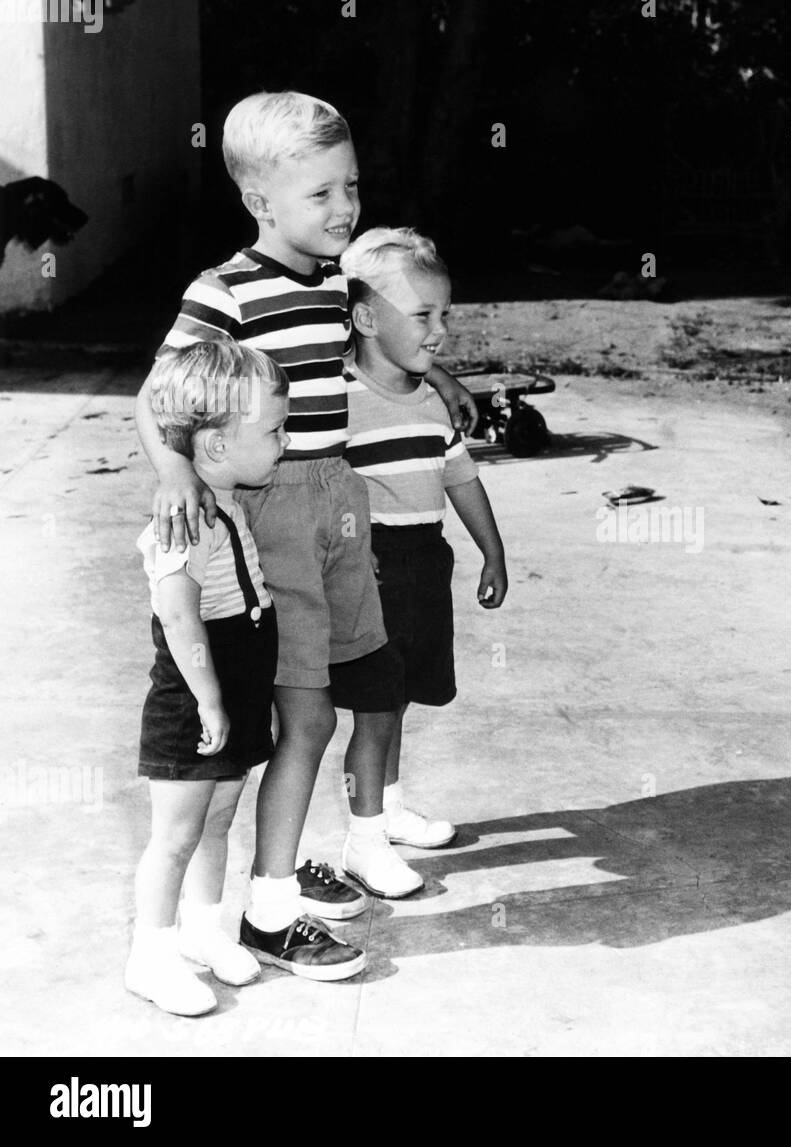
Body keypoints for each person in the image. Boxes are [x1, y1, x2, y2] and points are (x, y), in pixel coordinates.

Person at [132, 91, 481, 976]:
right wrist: (176, 468)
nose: (345, 209)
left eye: (351, 187)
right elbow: (157, 391)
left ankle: (311, 859)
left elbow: (375, 349)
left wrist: (438, 380)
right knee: (305, 716)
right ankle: (268, 904)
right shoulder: (224, 290)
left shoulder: (333, 283)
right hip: (276, 511)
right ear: (260, 201)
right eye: (321, 194)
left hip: (341, 503)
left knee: (360, 687)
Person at [330, 226, 507, 871]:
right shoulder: (337, 399)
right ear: (366, 318)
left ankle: (390, 809)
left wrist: (493, 551)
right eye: (423, 316)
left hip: (425, 563)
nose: (439, 333)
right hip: (368, 570)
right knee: (374, 710)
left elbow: (460, 476)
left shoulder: (433, 399)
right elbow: (314, 484)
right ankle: (363, 843)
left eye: (445, 316)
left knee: (399, 696)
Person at [129, 341, 292, 1014]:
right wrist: (210, 700)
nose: (285, 441)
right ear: (218, 448)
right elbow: (178, 615)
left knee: (219, 819)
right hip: (196, 695)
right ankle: (151, 955)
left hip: (235, 682)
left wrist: (249, 698)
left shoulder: (223, 496)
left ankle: (200, 931)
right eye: (276, 430)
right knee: (175, 835)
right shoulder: (184, 519)